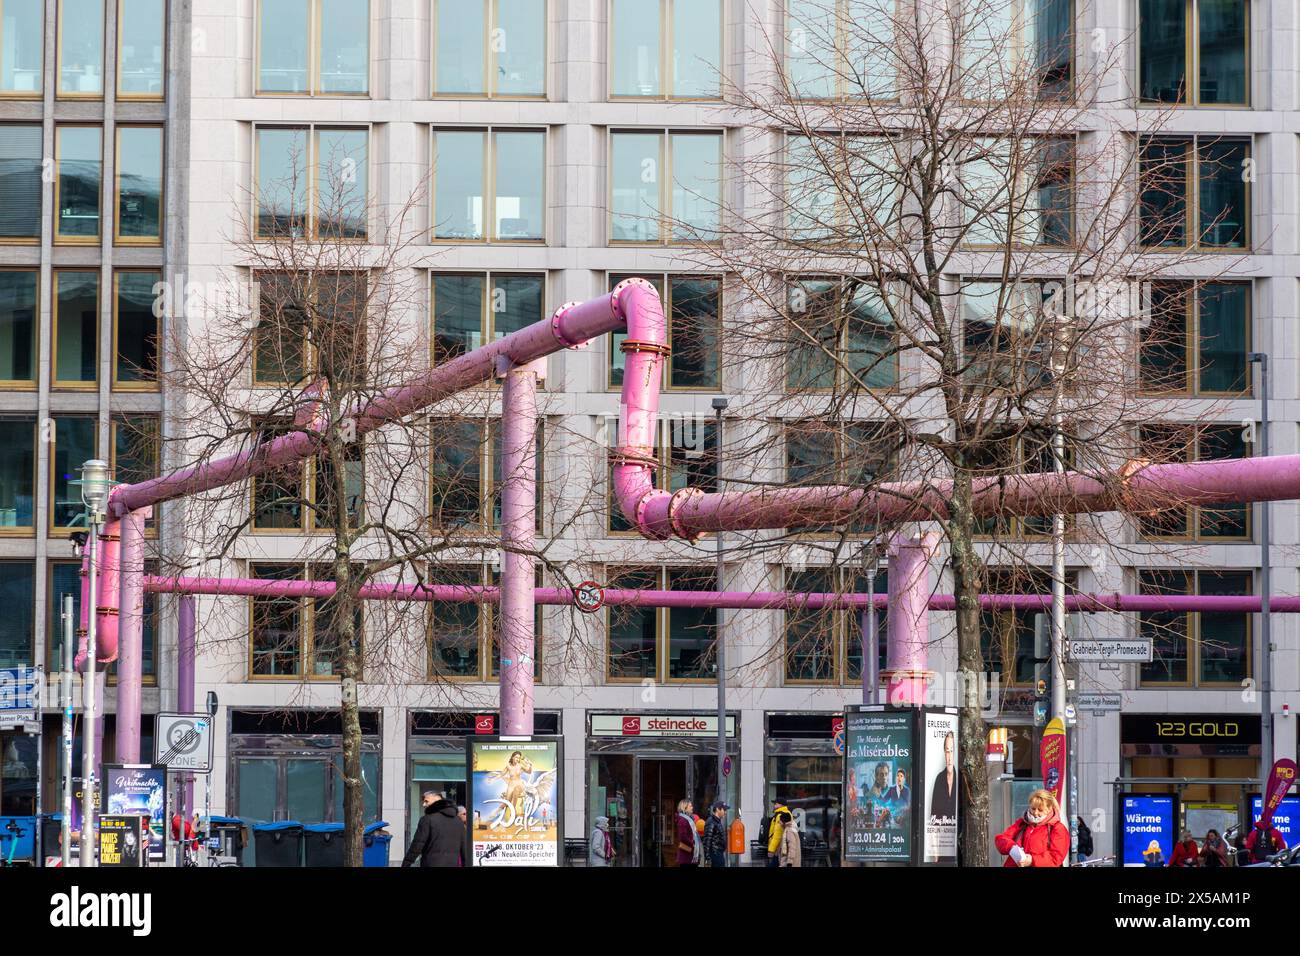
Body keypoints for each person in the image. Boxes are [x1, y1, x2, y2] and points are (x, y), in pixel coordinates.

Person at [994, 788, 1070, 868]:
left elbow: (1055, 857)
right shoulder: (1022, 823)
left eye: (1040, 810)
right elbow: (1001, 838)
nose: (1035, 813)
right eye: (1033, 808)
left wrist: (1032, 860)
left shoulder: (1057, 829)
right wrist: (1011, 847)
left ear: (1049, 809)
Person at [402, 790, 464, 868]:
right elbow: (464, 848)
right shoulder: (458, 821)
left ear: (436, 800)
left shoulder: (427, 819)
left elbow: (417, 845)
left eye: (426, 801)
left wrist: (406, 863)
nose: (424, 805)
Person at [929, 732, 957, 819]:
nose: (950, 758)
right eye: (947, 751)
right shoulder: (939, 779)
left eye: (952, 751)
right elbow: (933, 815)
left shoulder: (960, 778)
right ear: (944, 753)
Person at [675, 799, 701, 867]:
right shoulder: (683, 820)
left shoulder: (688, 819)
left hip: (690, 855)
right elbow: (683, 836)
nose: (692, 807)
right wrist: (693, 844)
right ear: (685, 808)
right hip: (686, 856)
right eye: (690, 806)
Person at [703, 801, 728, 868]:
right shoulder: (711, 821)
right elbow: (707, 841)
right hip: (715, 855)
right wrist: (708, 859)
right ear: (717, 809)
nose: (725, 812)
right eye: (724, 810)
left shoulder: (717, 821)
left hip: (718, 854)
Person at [766, 799, 790, 867]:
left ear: (781, 805)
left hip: (779, 847)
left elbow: (777, 834)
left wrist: (771, 849)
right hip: (780, 846)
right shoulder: (783, 813)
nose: (774, 805)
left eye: (776, 804)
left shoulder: (780, 815)